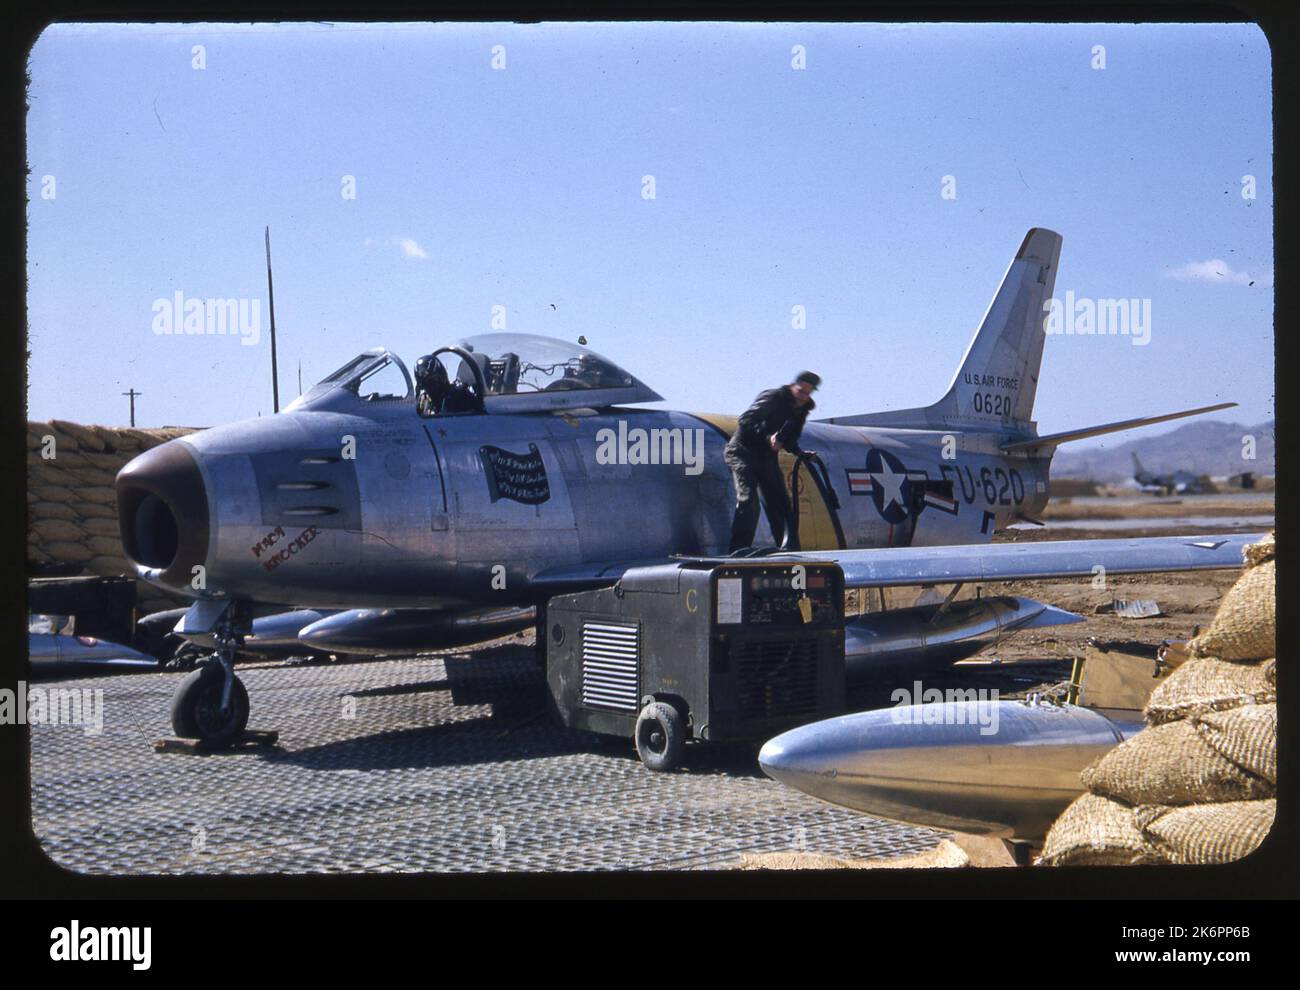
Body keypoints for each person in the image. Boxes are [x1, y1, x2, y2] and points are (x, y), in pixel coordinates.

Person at [725, 371, 820, 552]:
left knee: (781, 504)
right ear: (793, 386)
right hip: (742, 452)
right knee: (748, 500)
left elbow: (789, 437)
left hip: (766, 457)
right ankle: (738, 550)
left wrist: (798, 452)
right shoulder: (773, 398)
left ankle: (788, 549)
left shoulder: (801, 409)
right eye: (801, 391)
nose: (803, 397)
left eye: (807, 393)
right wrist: (768, 438)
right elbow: (746, 421)